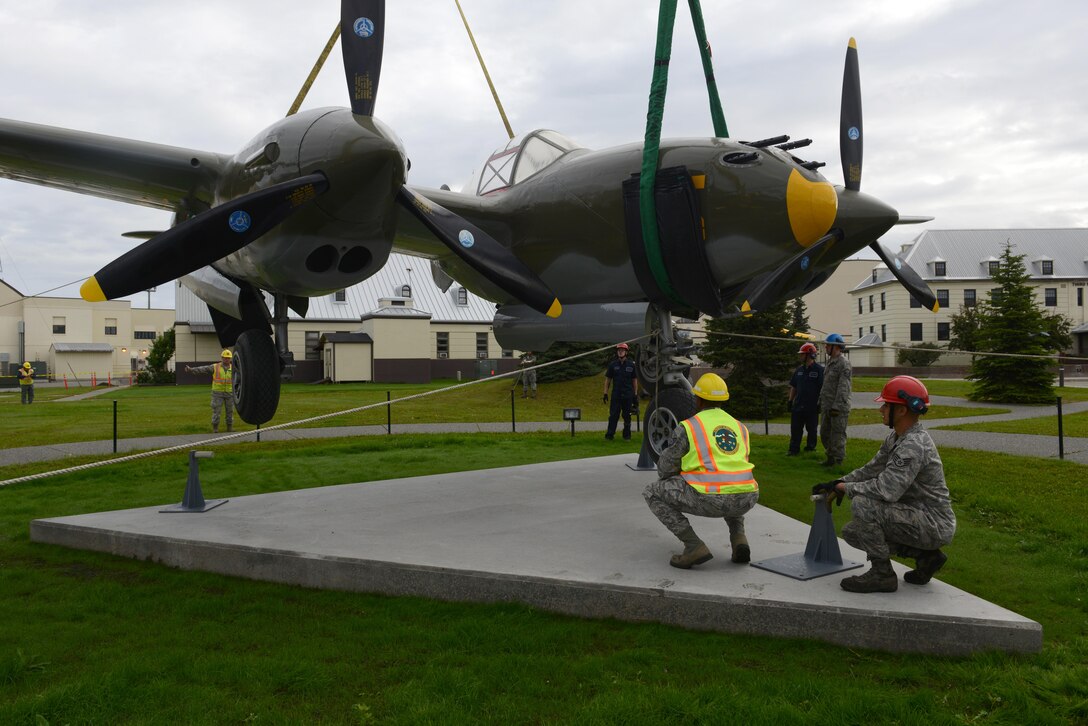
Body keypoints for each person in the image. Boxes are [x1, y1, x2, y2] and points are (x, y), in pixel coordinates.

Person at [812, 375, 956, 593]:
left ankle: (882, 574)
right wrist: (839, 481)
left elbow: (886, 490)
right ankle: (927, 557)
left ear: (901, 410)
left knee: (862, 504)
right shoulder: (897, 437)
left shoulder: (913, 445)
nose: (881, 410)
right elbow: (872, 469)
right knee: (853, 531)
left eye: (886, 405)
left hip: (933, 523)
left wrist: (846, 489)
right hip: (917, 516)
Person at [643, 373, 758, 569]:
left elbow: (664, 468)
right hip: (748, 497)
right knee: (730, 485)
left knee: (652, 492)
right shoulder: (740, 427)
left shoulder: (689, 426)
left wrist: (680, 473)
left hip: (710, 499)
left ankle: (693, 546)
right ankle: (739, 539)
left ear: (698, 399)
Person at [818, 333, 852, 467]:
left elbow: (844, 387)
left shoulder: (844, 364)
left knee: (837, 434)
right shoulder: (830, 363)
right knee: (824, 433)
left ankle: (838, 460)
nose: (825, 347)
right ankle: (830, 456)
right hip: (827, 405)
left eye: (828, 345)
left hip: (838, 407)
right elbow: (826, 384)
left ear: (836, 347)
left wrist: (837, 406)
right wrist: (820, 401)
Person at [186, 350, 235, 433]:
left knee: (230, 411)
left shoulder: (234, 368)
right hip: (217, 393)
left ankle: (229, 428)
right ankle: (215, 428)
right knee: (216, 411)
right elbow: (203, 369)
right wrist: (191, 370)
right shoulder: (215, 367)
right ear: (222, 358)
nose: (227, 359)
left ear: (230, 359)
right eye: (225, 358)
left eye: (228, 358)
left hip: (229, 393)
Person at [787, 342, 823, 455]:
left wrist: (820, 403)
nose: (800, 356)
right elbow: (794, 387)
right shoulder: (799, 370)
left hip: (812, 406)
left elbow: (823, 389)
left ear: (810, 355)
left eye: (802, 354)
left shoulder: (819, 371)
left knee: (812, 429)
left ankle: (810, 448)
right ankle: (793, 450)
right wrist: (790, 401)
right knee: (795, 429)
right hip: (798, 405)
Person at [602, 343, 639, 440]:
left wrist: (635, 395)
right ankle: (609, 435)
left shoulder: (631, 365)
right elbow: (607, 380)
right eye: (619, 350)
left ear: (626, 352)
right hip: (616, 395)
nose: (620, 352)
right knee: (613, 416)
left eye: (622, 350)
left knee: (627, 416)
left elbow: (634, 381)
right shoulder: (613, 365)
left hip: (628, 395)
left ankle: (627, 436)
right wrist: (605, 393)